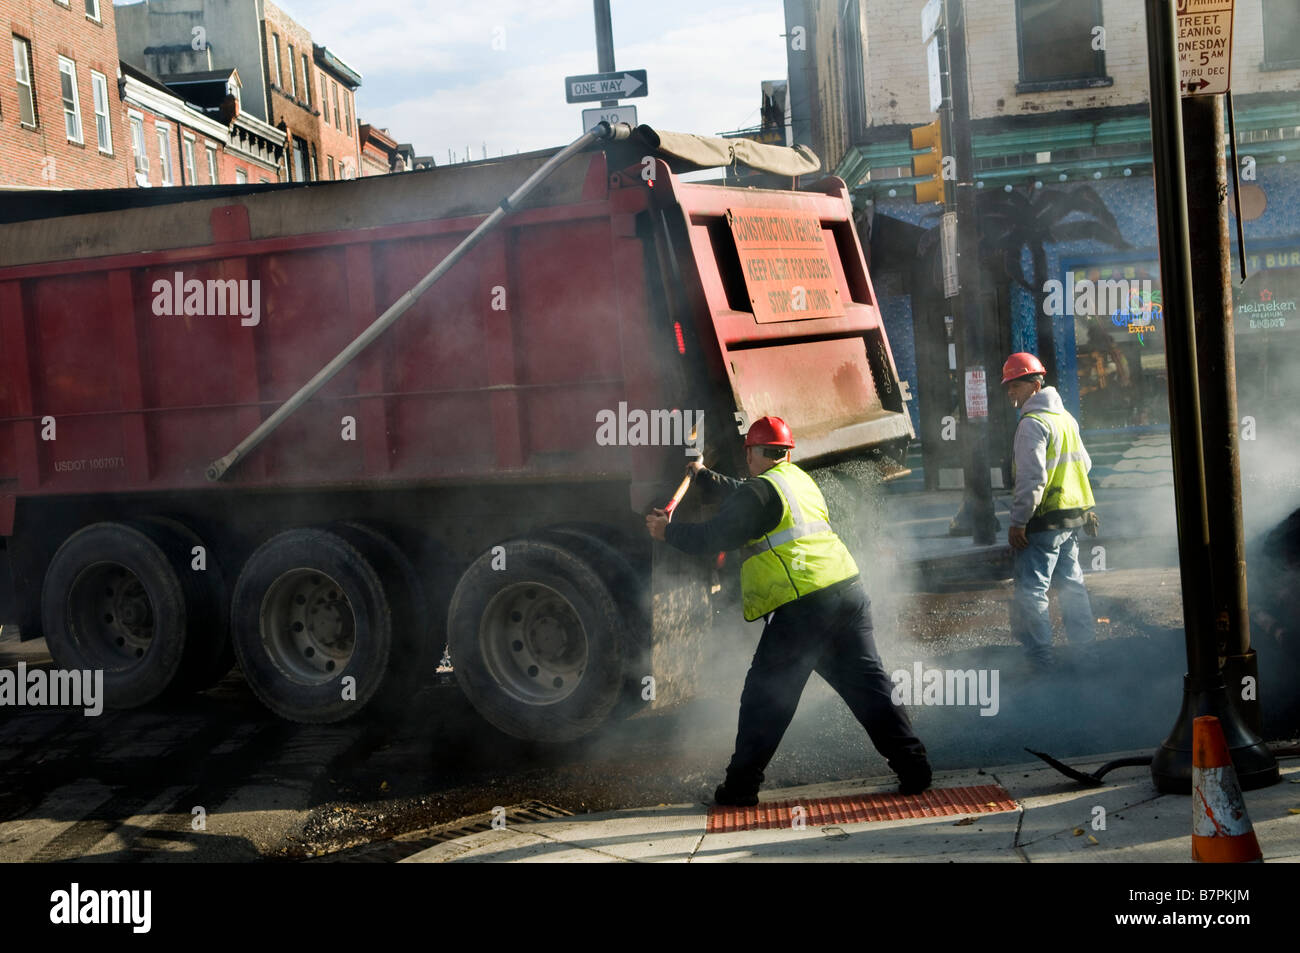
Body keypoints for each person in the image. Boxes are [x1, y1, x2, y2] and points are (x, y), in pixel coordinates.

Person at [644, 415, 931, 806]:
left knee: (765, 697)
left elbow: (715, 535)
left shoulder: (759, 492)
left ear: (752, 452)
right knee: (869, 688)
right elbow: (746, 496)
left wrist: (668, 532)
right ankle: (914, 767)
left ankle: (741, 787)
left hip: (806, 607)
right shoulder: (796, 480)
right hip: (847, 593)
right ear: (786, 451)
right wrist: (705, 476)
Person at [1002, 352, 1098, 672]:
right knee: (1072, 586)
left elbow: (1032, 479)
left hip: (1042, 521)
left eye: (1015, 385)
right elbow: (1084, 465)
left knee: (1032, 590)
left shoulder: (1032, 424)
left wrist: (1018, 523)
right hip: (1071, 518)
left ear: (1035, 384)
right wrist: (1088, 508)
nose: (1010, 392)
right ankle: (1085, 652)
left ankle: (1040, 660)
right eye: (1008, 386)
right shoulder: (1065, 418)